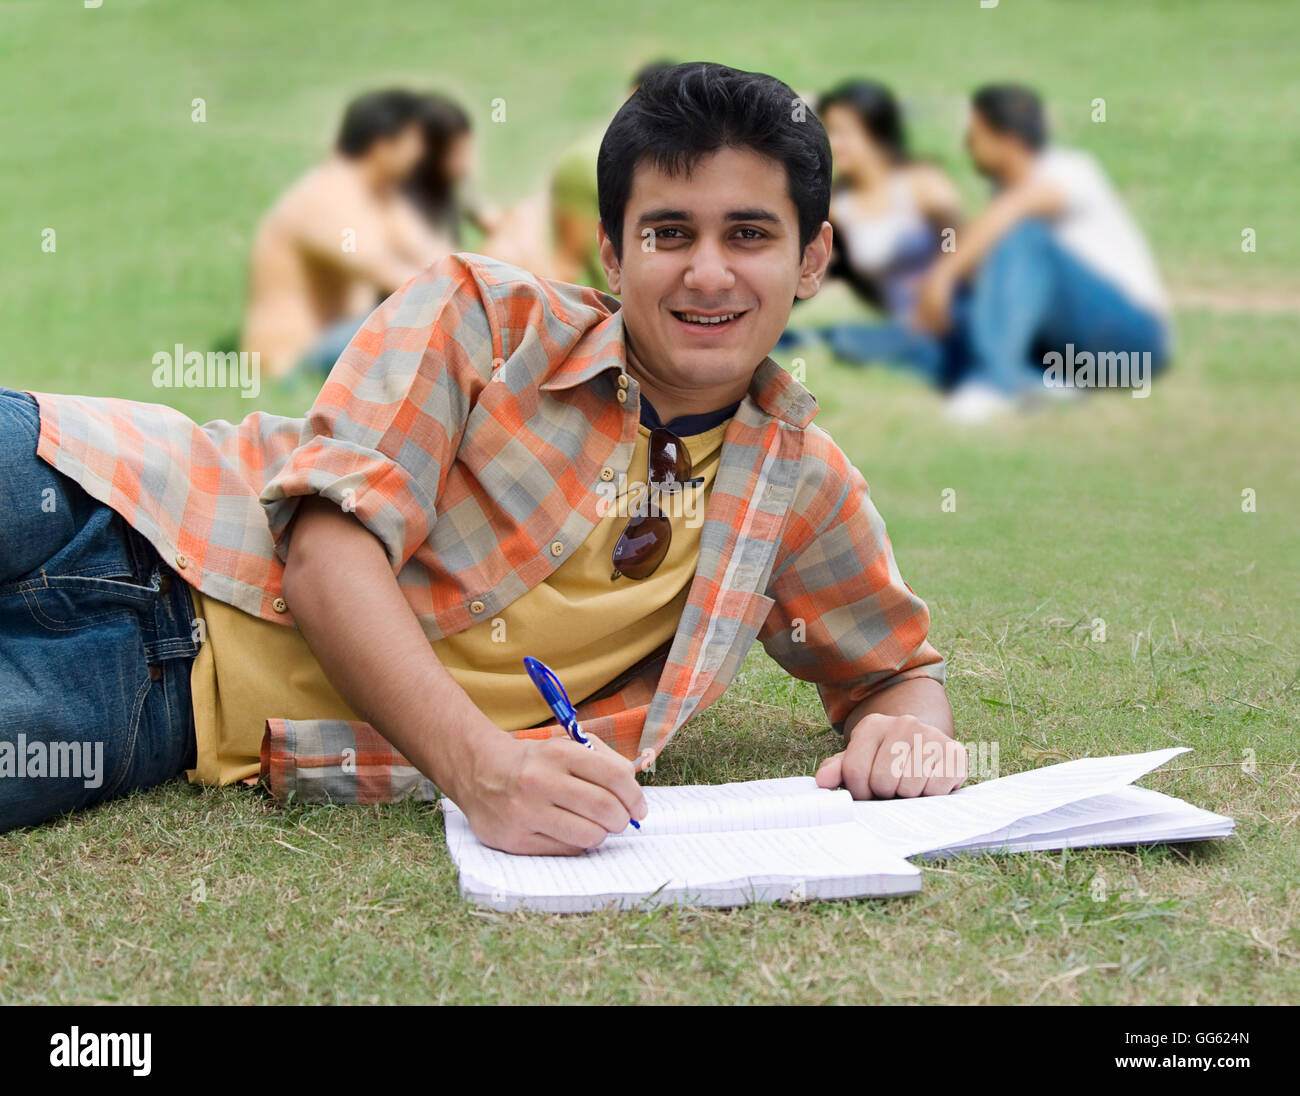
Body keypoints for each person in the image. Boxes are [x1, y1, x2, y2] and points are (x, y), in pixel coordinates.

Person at [2, 63, 963, 852]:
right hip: (105, 494)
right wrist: (480, 771)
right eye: (669, 233)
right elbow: (327, 556)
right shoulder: (484, 320)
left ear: (812, 259)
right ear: (612, 255)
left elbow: (891, 673)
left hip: (159, 698)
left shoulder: (801, 490)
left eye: (748, 235)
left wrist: (907, 737)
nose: (707, 272)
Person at [914, 83, 1171, 423]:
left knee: (1023, 233)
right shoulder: (1004, 193)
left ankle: (995, 382)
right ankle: (1045, 384)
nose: (967, 146)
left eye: (975, 135)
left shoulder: (1068, 169)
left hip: (1134, 342)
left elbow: (1016, 211)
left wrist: (943, 275)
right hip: (1076, 352)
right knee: (962, 311)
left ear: (1006, 140)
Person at [240, 89, 453, 380]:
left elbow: (437, 258)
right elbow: (397, 277)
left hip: (340, 341)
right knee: (424, 318)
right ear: (382, 145)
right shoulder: (325, 196)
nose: (420, 155)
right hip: (294, 360)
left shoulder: (379, 195)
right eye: (414, 143)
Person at [790, 80, 963, 385]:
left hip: (959, 303)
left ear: (876, 132)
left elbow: (961, 240)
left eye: (844, 132)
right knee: (848, 341)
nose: (834, 142)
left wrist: (942, 280)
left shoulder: (921, 181)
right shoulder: (837, 205)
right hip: (909, 324)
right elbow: (803, 262)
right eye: (830, 131)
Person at [404, 91, 502, 248]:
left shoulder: (455, 184)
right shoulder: (403, 203)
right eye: (458, 153)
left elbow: (496, 223)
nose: (467, 163)